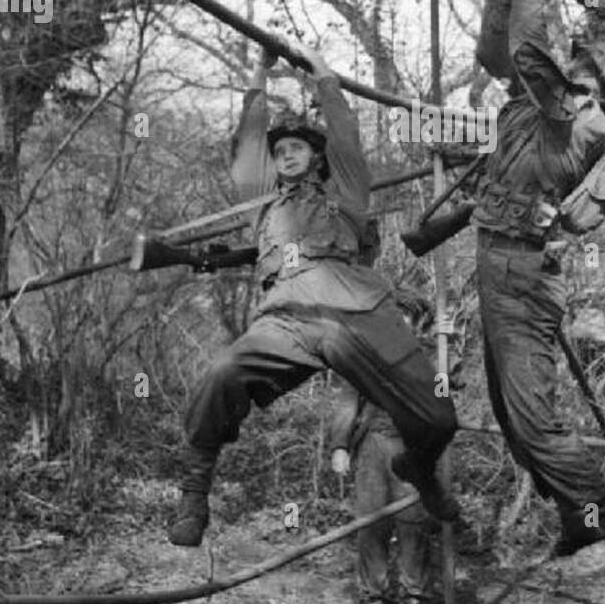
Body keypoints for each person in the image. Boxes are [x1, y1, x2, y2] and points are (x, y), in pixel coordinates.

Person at [167, 43, 458, 547]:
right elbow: (247, 143)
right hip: (287, 317)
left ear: (318, 156)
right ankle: (195, 491)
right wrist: (260, 73)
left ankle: (420, 466)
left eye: (298, 146)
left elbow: (346, 136)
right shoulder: (261, 206)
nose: (285, 152)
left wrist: (325, 77)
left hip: (358, 310)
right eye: (280, 150)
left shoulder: (346, 195)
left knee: (438, 416)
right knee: (221, 374)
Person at [472, 0, 605, 604]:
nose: (581, 60)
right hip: (498, 262)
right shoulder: (539, 95)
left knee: (538, 425)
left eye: (595, 60)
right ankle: (581, 521)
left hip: (522, 272)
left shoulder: (584, 120)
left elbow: (523, 50)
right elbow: (497, 54)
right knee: (516, 423)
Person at [329, 382, 434, 604]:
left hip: (414, 447)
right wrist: (340, 445)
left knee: (414, 523)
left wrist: (447, 375)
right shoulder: (365, 351)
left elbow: (441, 391)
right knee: (372, 524)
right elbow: (348, 400)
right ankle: (376, 602)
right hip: (372, 445)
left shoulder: (425, 352)